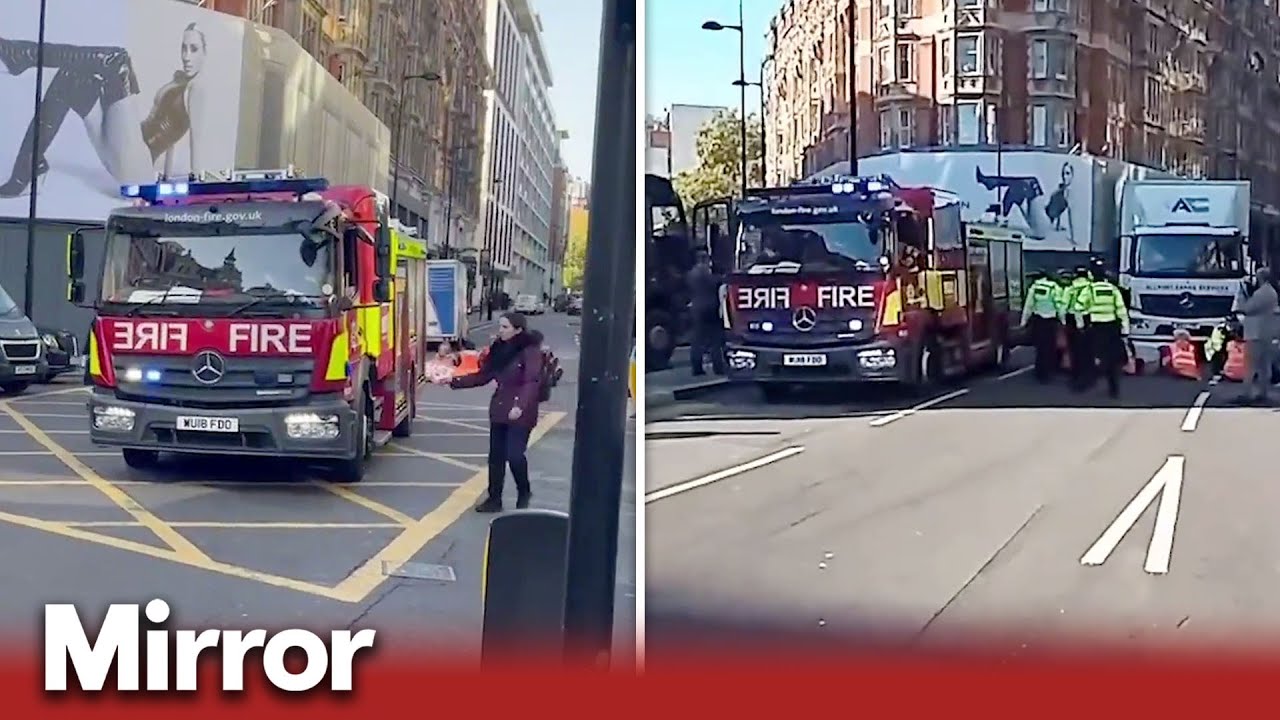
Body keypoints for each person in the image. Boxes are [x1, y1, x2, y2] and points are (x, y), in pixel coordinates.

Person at [0, 24, 213, 197]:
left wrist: (196, 189)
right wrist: (166, 178)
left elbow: (197, 141)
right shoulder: (179, 82)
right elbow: (172, 139)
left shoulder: (198, 89)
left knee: (117, 59)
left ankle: (24, 54)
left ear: (205, 52)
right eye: (183, 48)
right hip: (123, 150)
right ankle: (25, 171)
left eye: (194, 49)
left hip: (136, 162)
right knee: (71, 79)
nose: (186, 56)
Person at [438, 312, 544, 512]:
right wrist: (453, 381)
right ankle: (494, 499)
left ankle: (524, 491)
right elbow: (483, 376)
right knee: (496, 457)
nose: (500, 331)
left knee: (514, 455)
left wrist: (519, 406)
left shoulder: (530, 350)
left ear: (518, 329)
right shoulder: (499, 349)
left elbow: (531, 381)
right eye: (500, 326)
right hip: (500, 408)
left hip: (521, 411)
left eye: (505, 327)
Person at [1077, 261, 1130, 398]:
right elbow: (1121, 310)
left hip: (1096, 327)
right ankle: (1113, 388)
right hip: (1112, 327)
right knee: (1112, 359)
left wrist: (1081, 324)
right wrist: (1125, 328)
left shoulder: (1089, 290)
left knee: (1090, 355)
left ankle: (1087, 382)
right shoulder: (1112, 289)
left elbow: (1079, 308)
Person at [1230, 267, 1280, 405]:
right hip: (1267, 333)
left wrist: (1243, 297)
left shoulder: (1262, 293)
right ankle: (1263, 393)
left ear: (1262, 277)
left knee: (1250, 365)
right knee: (1264, 366)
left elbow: (1247, 308)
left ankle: (1247, 394)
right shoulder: (1271, 292)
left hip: (1255, 334)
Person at [686, 249, 725, 376]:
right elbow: (716, 283)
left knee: (697, 339)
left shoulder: (691, 274)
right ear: (704, 260)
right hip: (710, 309)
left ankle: (696, 367)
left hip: (696, 309)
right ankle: (718, 367)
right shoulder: (706, 274)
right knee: (715, 339)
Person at [1019, 270, 1060, 382]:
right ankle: (1048, 372)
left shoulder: (1034, 288)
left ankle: (1039, 372)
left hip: (1038, 321)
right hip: (1050, 321)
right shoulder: (1053, 287)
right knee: (1050, 347)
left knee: (1040, 347)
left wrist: (1023, 322)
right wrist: (1062, 320)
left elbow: (1028, 306)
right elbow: (1059, 305)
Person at [1061, 266, 1095, 390]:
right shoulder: (1091, 288)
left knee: (1074, 350)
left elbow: (1063, 307)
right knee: (1088, 351)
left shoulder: (1070, 289)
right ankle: (1089, 376)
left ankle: (1075, 376)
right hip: (1088, 320)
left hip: (1072, 322)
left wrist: (1064, 322)